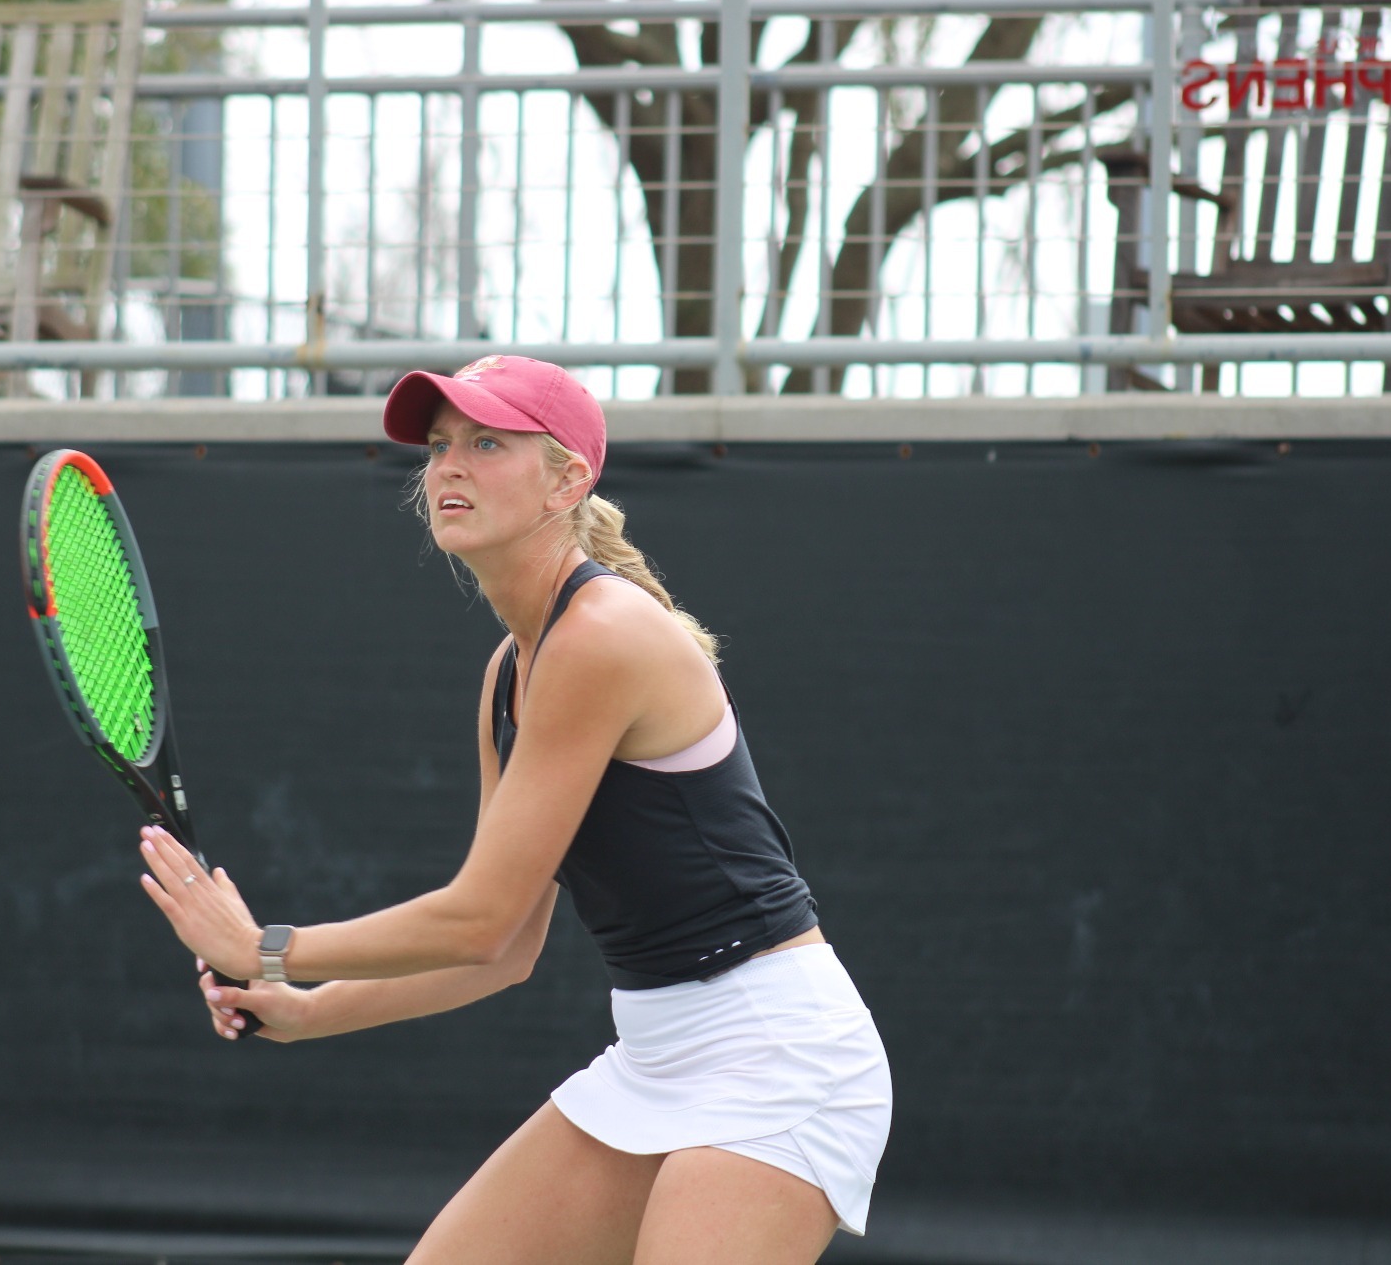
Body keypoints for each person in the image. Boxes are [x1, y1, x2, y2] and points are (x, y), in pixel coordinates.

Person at [136, 355, 891, 1264]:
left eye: (487, 443)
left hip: (779, 1056)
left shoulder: (602, 637)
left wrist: (264, 945)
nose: (449, 465)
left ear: (567, 479)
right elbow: (506, 949)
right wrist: (308, 1008)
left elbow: (478, 918)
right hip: (656, 1054)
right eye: (441, 445)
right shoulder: (510, 669)